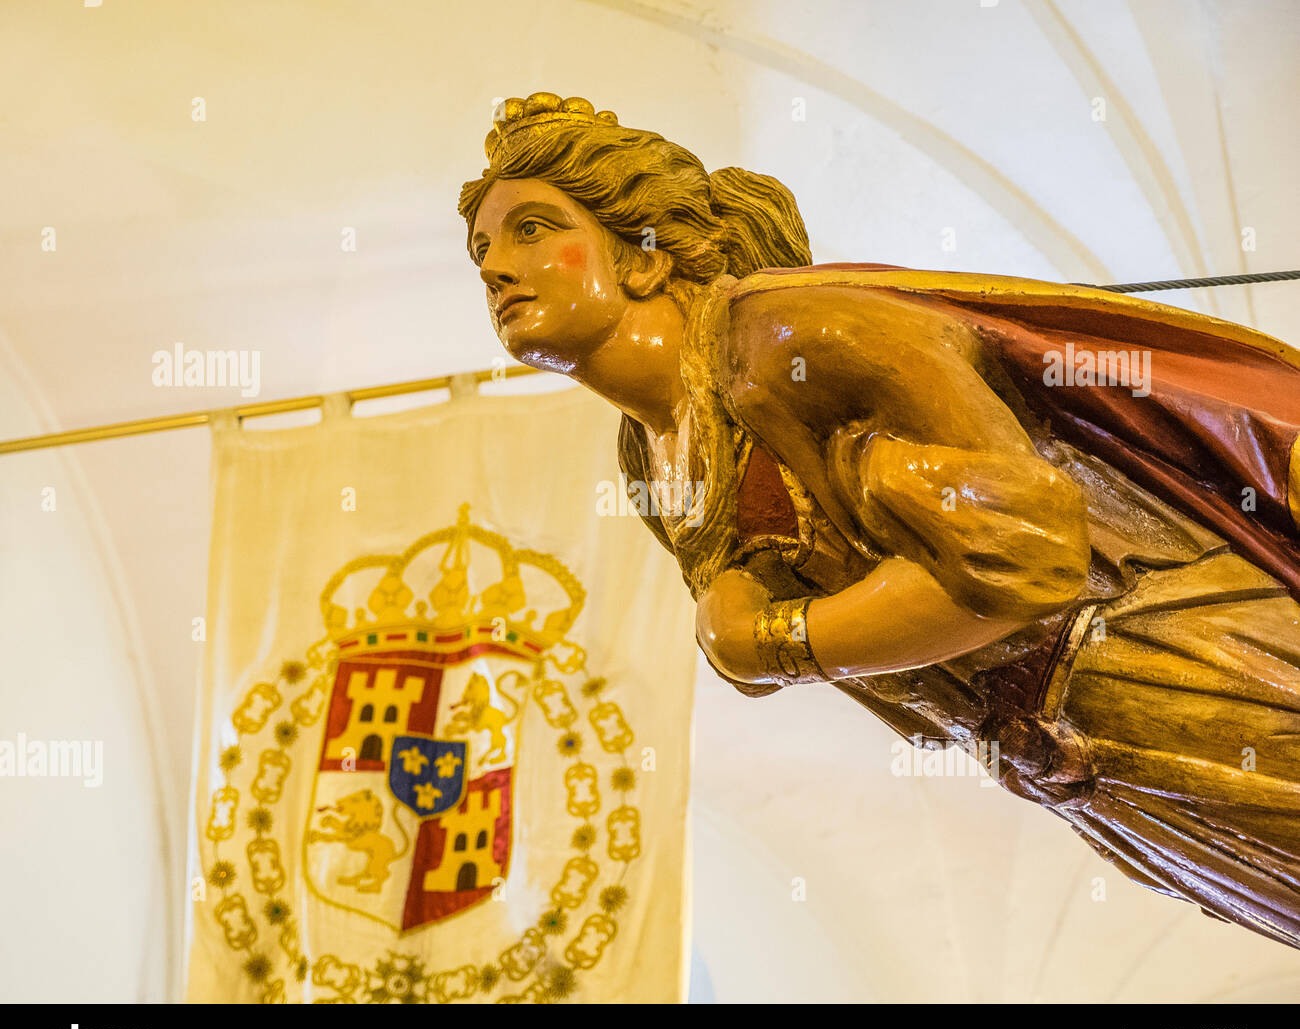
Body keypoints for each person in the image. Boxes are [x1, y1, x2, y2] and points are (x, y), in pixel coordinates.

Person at [460, 92, 1300, 949]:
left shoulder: (791, 339)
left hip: (1171, 658)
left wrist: (777, 642)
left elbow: (1030, 560)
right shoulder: (648, 459)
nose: (493, 267)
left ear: (642, 256)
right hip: (1064, 758)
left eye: (531, 229)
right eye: (483, 247)